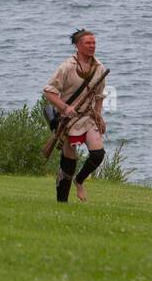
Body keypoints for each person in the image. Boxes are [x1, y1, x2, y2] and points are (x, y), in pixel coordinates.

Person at [42, 29, 110, 202]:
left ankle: (79, 181)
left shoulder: (99, 68)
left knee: (97, 154)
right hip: (68, 120)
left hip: (88, 117)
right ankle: (62, 202)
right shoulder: (66, 67)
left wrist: (99, 116)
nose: (92, 46)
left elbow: (99, 96)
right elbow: (49, 93)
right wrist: (65, 108)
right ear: (78, 46)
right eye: (88, 43)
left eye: (94, 43)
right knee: (68, 162)